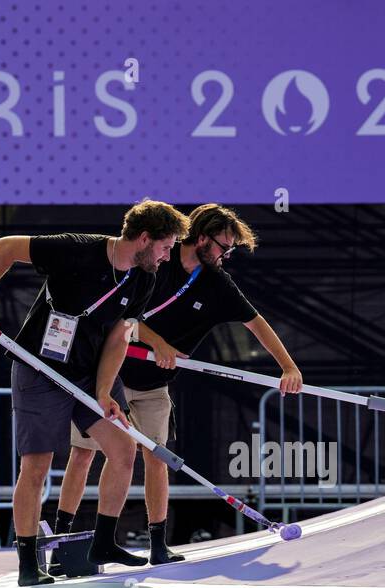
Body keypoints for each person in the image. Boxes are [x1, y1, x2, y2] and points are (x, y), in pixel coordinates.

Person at [58, 204, 302, 565]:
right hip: (113, 376)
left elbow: (257, 324)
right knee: (83, 454)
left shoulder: (217, 282)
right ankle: (62, 544)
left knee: (157, 457)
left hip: (156, 385)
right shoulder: (157, 261)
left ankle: (157, 544)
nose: (226, 255)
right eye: (223, 247)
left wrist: (288, 367)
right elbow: (124, 322)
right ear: (202, 237)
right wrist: (157, 343)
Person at [0, 199, 189, 585]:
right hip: (39, 367)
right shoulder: (77, 247)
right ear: (145, 238)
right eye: (166, 246)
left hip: (87, 372)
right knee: (36, 465)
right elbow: (5, 247)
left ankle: (103, 542)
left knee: (123, 449)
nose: (168, 256)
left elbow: (119, 336)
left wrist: (103, 390)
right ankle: (28, 564)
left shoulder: (143, 279)